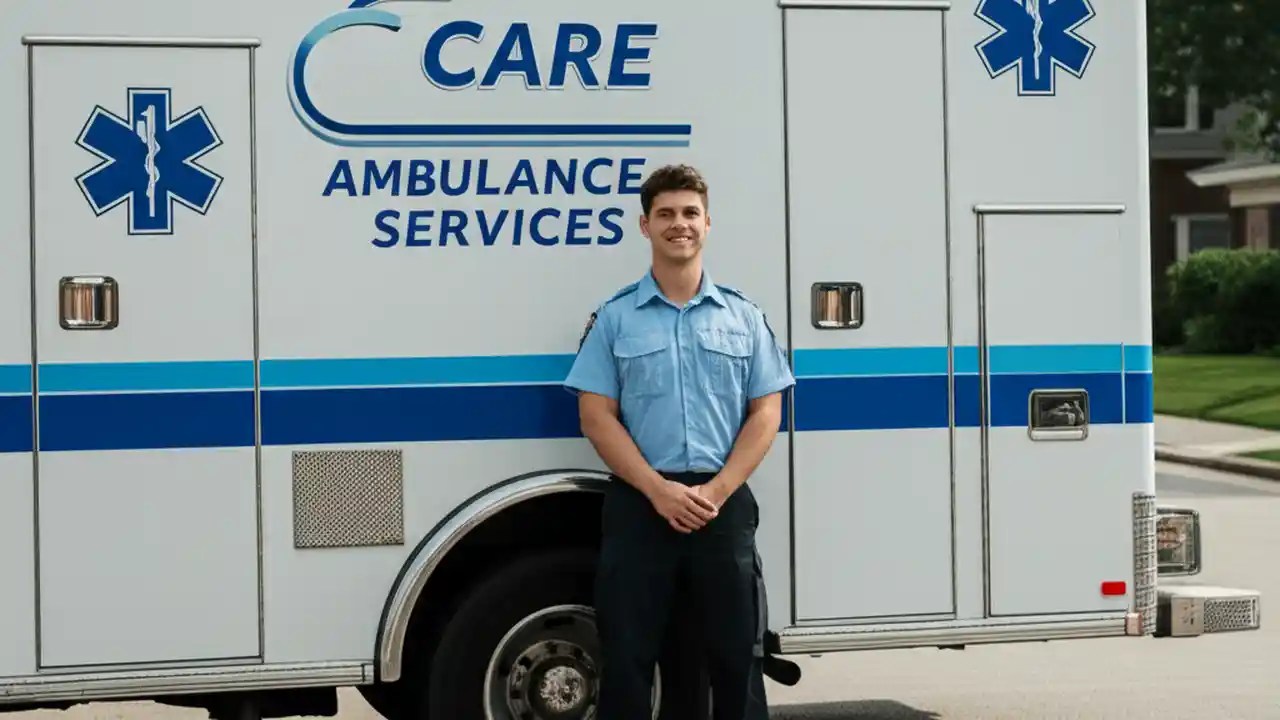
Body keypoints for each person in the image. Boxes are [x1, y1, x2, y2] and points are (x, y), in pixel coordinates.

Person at [562, 164, 795, 720]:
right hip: (642, 507)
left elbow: (766, 411)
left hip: (723, 506)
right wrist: (656, 489)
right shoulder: (616, 319)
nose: (679, 224)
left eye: (690, 213)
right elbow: (596, 415)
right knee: (629, 660)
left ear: (708, 223)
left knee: (737, 659)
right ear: (645, 226)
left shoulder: (743, 316)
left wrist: (718, 489)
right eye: (665, 214)